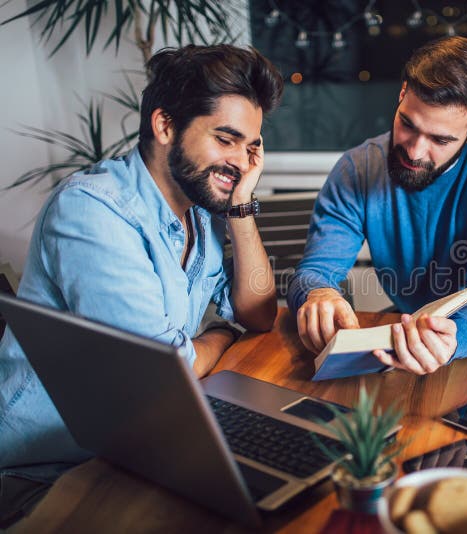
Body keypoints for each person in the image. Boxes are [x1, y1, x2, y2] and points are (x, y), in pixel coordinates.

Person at [0, 44, 283, 524]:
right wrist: (222, 334)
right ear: (165, 125)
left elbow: (258, 313)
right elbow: (170, 368)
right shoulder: (93, 212)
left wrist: (240, 206)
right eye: (226, 138)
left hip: (138, 450)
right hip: (46, 475)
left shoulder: (198, 210)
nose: (240, 160)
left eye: (251, 145)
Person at [288, 36, 467, 375]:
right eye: (408, 124)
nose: (415, 151)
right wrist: (317, 294)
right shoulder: (357, 169)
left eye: (440, 140)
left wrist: (452, 340)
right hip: (416, 333)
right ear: (402, 94)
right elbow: (314, 271)